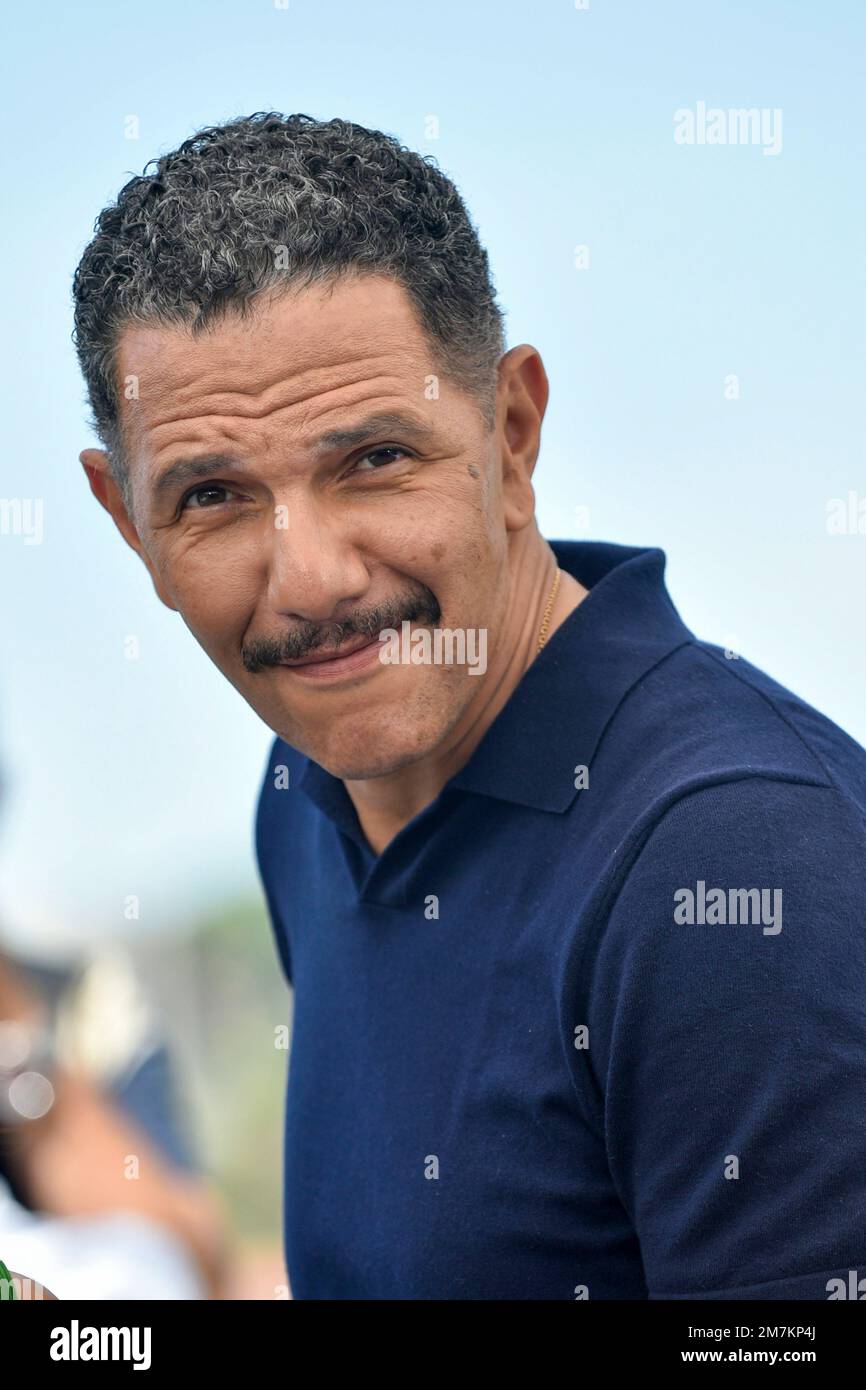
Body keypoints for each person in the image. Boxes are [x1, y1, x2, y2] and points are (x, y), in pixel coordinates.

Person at [71, 112, 866, 1299]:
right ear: (129, 523)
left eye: (375, 460)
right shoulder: (308, 790)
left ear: (510, 430)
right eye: (216, 495)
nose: (313, 582)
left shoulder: (736, 864)